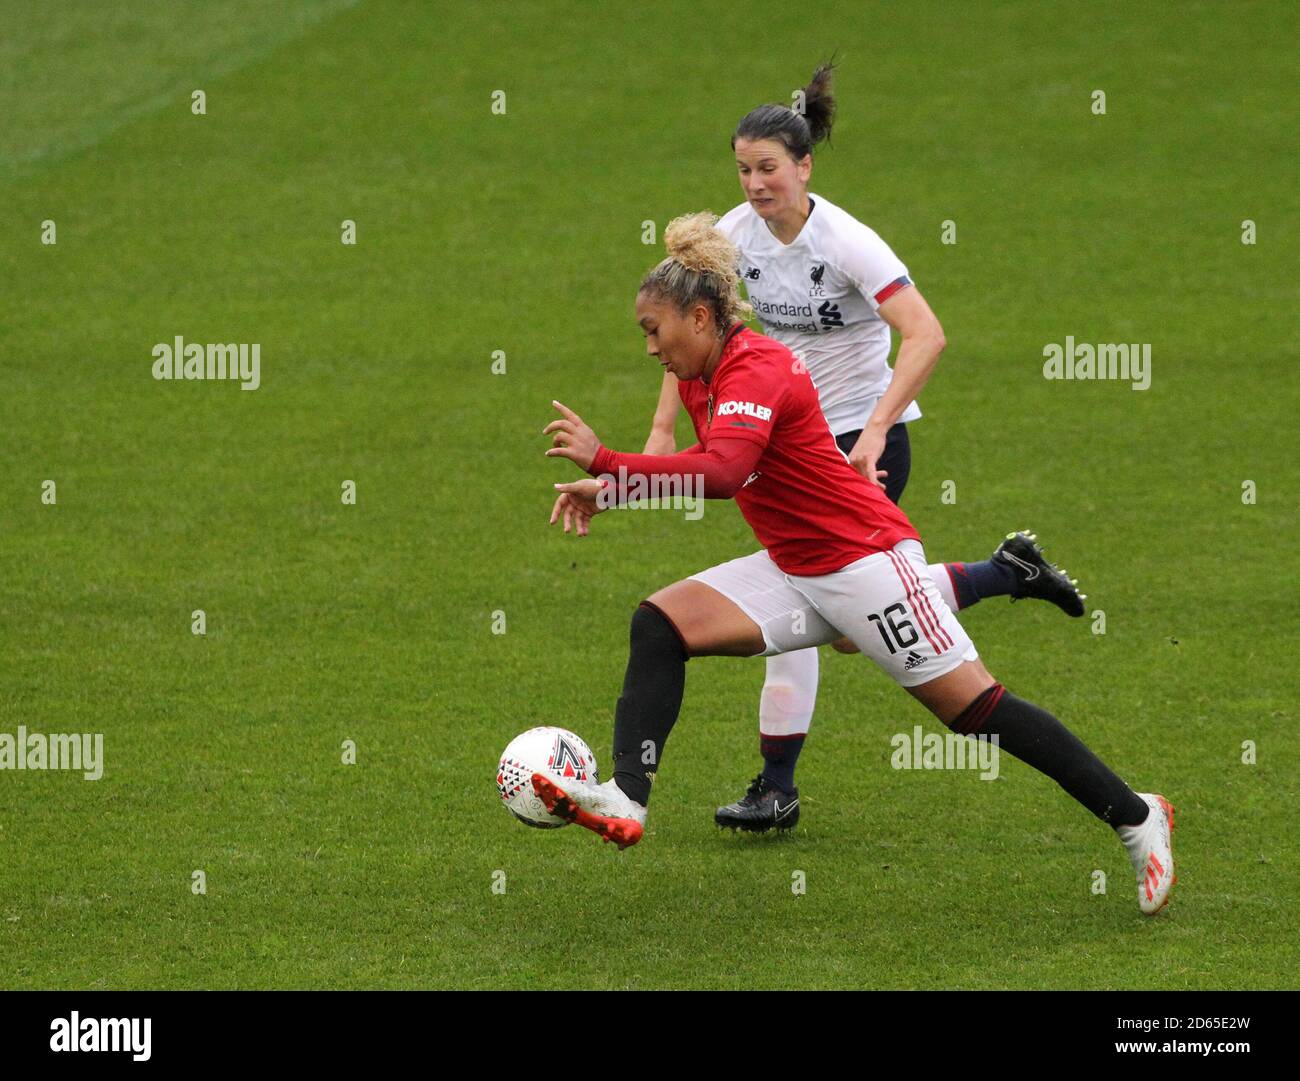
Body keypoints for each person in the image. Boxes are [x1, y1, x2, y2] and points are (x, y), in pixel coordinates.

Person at [539, 213, 1174, 915]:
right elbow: (708, 465)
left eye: (654, 329)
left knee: (975, 711)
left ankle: (1138, 815)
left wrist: (606, 459)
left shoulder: (760, 366)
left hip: (863, 559)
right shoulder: (700, 373)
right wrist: (617, 490)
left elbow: (723, 471)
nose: (650, 346)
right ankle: (629, 797)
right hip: (792, 564)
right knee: (659, 623)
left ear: (699, 316)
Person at [642, 62, 1086, 832]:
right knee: (834, 619)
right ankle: (1000, 573)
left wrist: (879, 425)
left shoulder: (846, 241)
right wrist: (662, 428)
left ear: (805, 165)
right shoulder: (731, 239)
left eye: (769, 169)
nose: (754, 184)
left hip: (855, 442)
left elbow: (927, 332)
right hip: (777, 438)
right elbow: (689, 326)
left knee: (838, 620)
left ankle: (777, 784)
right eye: (744, 169)